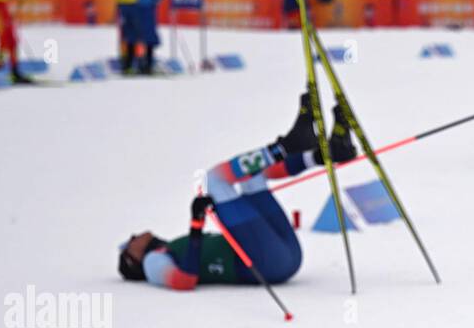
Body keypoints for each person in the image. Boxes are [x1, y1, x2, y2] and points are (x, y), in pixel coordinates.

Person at [118, 96, 356, 289]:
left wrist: (198, 225)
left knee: (252, 178)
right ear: (133, 259)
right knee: (214, 179)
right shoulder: (152, 263)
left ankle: (322, 154)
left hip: (283, 257)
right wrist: (196, 223)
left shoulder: (168, 249)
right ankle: (287, 147)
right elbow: (184, 280)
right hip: (264, 265)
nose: (133, 236)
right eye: (129, 244)